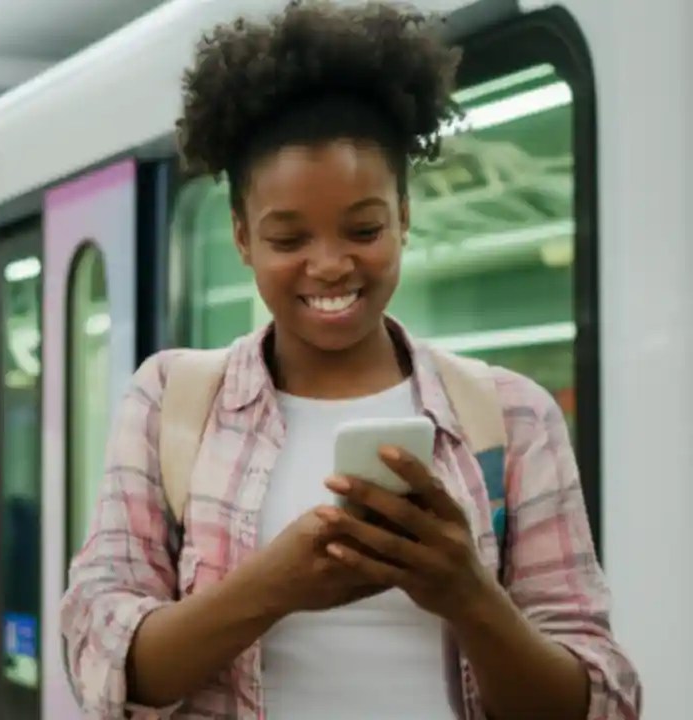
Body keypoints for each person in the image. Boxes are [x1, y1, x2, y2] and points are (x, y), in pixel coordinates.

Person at [59, 2, 641, 718]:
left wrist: (468, 593)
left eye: (364, 228)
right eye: (286, 238)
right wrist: (272, 586)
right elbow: (101, 661)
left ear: (404, 214)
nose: (330, 265)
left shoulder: (513, 417)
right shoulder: (170, 401)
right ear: (241, 236)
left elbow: (599, 702)